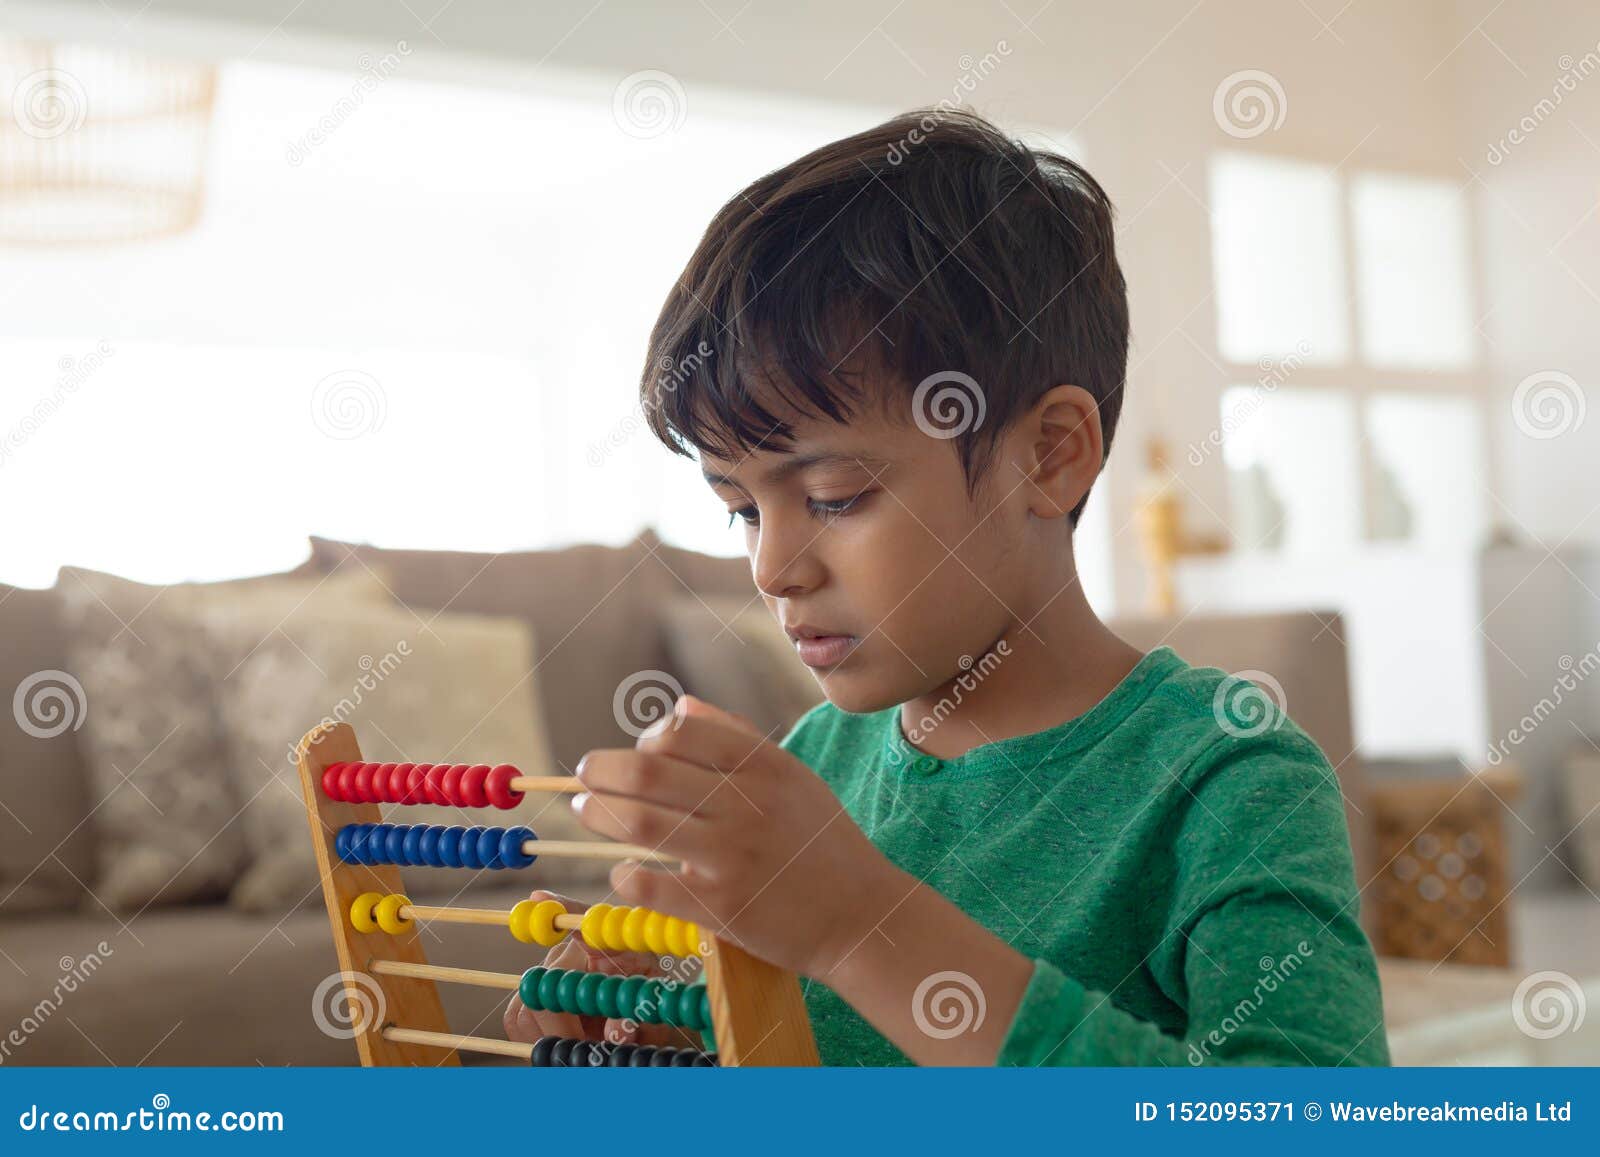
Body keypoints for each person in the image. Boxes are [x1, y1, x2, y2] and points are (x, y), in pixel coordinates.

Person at [505, 107, 1388, 1067]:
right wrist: (641, 1024)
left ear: (1049, 456)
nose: (771, 568)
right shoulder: (811, 766)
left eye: (834, 496)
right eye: (742, 511)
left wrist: (862, 928)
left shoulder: (1230, 782)